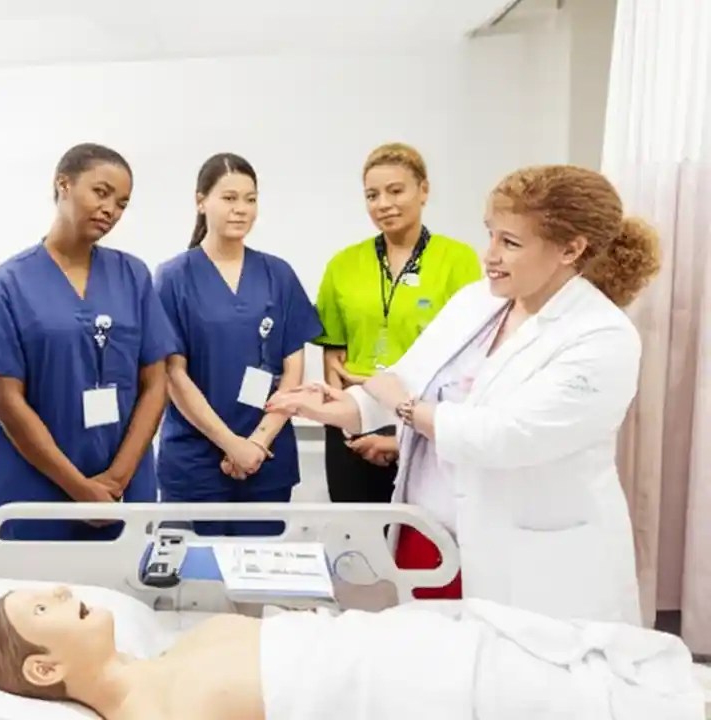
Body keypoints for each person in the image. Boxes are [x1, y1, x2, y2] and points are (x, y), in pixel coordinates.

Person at [268, 165, 661, 622]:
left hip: (526, 558)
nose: (489, 255)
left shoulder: (602, 336)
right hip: (430, 534)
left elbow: (506, 437)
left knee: (517, 680)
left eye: (510, 243)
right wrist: (348, 408)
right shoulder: (479, 302)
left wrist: (404, 406)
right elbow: (410, 377)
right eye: (491, 235)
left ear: (571, 249)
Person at [0, 586, 704, 720]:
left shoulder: (184, 644)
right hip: (431, 694)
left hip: (422, 644)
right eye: (43, 607)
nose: (62, 588)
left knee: (603, 668)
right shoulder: (154, 714)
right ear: (45, 668)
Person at [0, 143, 180, 541]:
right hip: (38, 488)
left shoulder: (133, 276)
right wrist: (79, 489)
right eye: (101, 192)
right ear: (63, 184)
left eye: (122, 202)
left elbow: (155, 384)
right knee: (41, 600)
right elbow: (7, 400)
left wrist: (116, 479)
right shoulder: (10, 283)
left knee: (124, 601)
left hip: (122, 491)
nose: (110, 209)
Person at [154, 153, 322, 536]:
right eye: (229, 198)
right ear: (201, 201)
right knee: (193, 586)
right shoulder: (173, 278)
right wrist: (232, 444)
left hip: (268, 456)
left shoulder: (277, 274)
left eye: (250, 199)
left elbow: (293, 367)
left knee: (258, 579)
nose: (241, 209)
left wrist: (257, 442)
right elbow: (173, 376)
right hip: (196, 460)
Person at [311, 142, 481, 515]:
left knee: (421, 543)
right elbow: (334, 357)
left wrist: (410, 425)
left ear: (424, 190)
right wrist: (348, 427)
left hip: (422, 420)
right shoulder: (344, 264)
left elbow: (470, 356)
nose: (383, 203)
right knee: (356, 544)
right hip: (353, 418)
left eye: (395, 190)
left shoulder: (459, 260)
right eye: (372, 195)